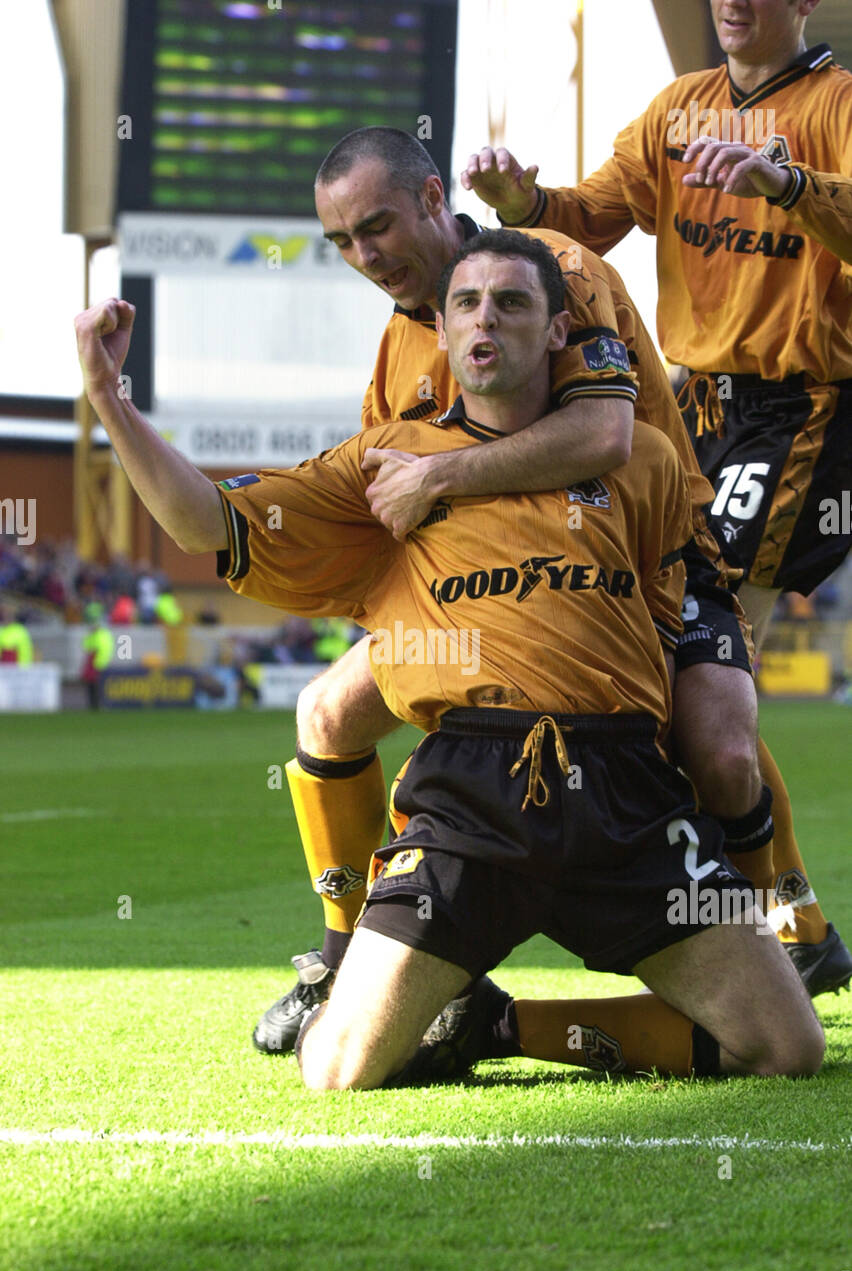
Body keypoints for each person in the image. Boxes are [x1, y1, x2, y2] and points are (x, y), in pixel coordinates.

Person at [73, 232, 823, 1089]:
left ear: (555, 333)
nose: (484, 320)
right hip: (473, 789)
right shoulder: (384, 463)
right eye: (466, 303)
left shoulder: (640, 461)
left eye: (512, 303)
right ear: (442, 330)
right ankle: (345, 957)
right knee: (339, 1070)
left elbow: (666, 606)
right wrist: (110, 396)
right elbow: (209, 522)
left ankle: (499, 1024)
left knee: (786, 1050)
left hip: (624, 793)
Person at [253, 123, 805, 1056]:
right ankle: (343, 960)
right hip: (503, 594)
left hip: (648, 557)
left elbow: (601, 440)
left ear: (435, 201)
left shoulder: (548, 270)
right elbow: (392, 515)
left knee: (719, 751)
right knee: (327, 713)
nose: (365, 256)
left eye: (377, 226)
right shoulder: (396, 352)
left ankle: (794, 933)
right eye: (342, 242)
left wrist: (440, 479)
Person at [461, 0, 852, 991]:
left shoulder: (838, 100)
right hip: (693, 406)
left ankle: (773, 924)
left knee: (696, 653)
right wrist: (524, 203)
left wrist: (790, 182)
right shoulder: (677, 109)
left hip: (799, 405)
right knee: (689, 665)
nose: (732, 1)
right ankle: (793, 922)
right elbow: (589, 223)